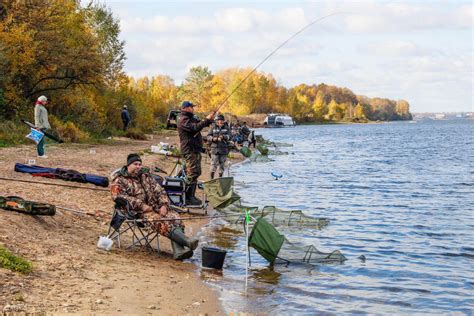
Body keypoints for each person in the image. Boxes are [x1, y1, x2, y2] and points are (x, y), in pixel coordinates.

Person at [110, 153, 199, 260]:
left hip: (155, 207)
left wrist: (164, 205)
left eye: (140, 164)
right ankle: (187, 241)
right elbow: (118, 197)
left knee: (175, 218)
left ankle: (178, 250)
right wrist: (141, 205)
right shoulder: (119, 179)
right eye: (135, 164)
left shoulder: (146, 176)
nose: (138, 166)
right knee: (160, 221)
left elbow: (160, 191)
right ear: (128, 165)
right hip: (137, 212)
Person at [177, 101, 215, 205]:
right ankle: (189, 197)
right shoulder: (183, 119)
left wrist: (209, 120)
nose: (193, 109)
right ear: (185, 108)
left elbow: (199, 124)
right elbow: (195, 128)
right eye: (191, 107)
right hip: (189, 150)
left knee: (195, 172)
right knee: (192, 173)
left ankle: (190, 196)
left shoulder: (190, 118)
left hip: (194, 149)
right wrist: (206, 119)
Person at [207, 114, 231, 179]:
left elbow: (230, 137)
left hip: (224, 150)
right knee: (213, 165)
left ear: (223, 121)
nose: (220, 121)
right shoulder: (212, 127)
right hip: (214, 150)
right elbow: (208, 136)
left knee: (222, 166)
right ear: (216, 121)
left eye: (222, 120)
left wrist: (224, 137)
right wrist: (213, 139)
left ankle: (220, 179)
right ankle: (211, 180)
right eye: (219, 120)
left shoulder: (227, 128)